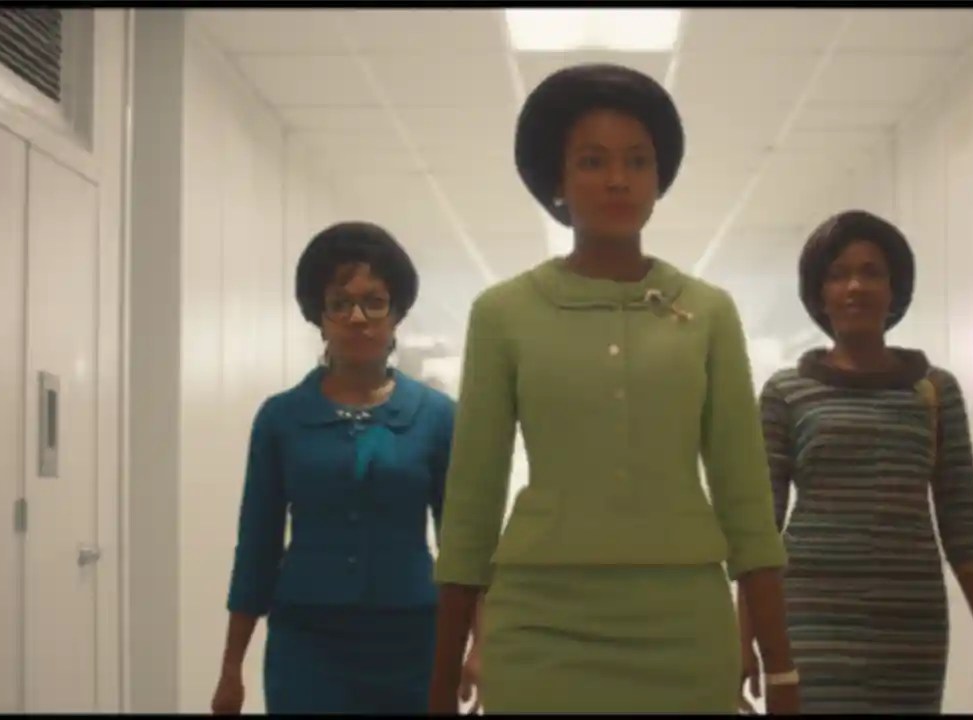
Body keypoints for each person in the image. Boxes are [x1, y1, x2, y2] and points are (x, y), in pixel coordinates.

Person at [426, 63, 801, 715]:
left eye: (637, 160)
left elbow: (746, 502)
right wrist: (439, 684)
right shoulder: (504, 313)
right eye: (593, 161)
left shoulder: (707, 312)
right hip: (540, 623)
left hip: (684, 622)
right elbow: (470, 508)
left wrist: (784, 671)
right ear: (559, 182)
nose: (619, 179)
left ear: (659, 178)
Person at [751, 209, 973, 714]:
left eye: (872, 272)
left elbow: (962, 523)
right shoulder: (786, 391)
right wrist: (745, 639)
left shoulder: (934, 390)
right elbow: (759, 528)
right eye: (839, 274)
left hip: (910, 617)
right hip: (810, 616)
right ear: (820, 294)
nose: (856, 286)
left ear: (895, 288)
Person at [211, 222, 456, 715]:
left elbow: (461, 544)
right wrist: (231, 668)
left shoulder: (437, 416)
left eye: (375, 301)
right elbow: (256, 545)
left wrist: (475, 648)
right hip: (307, 644)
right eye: (340, 303)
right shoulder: (281, 418)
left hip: (411, 641)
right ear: (318, 317)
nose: (358, 317)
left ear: (397, 312)